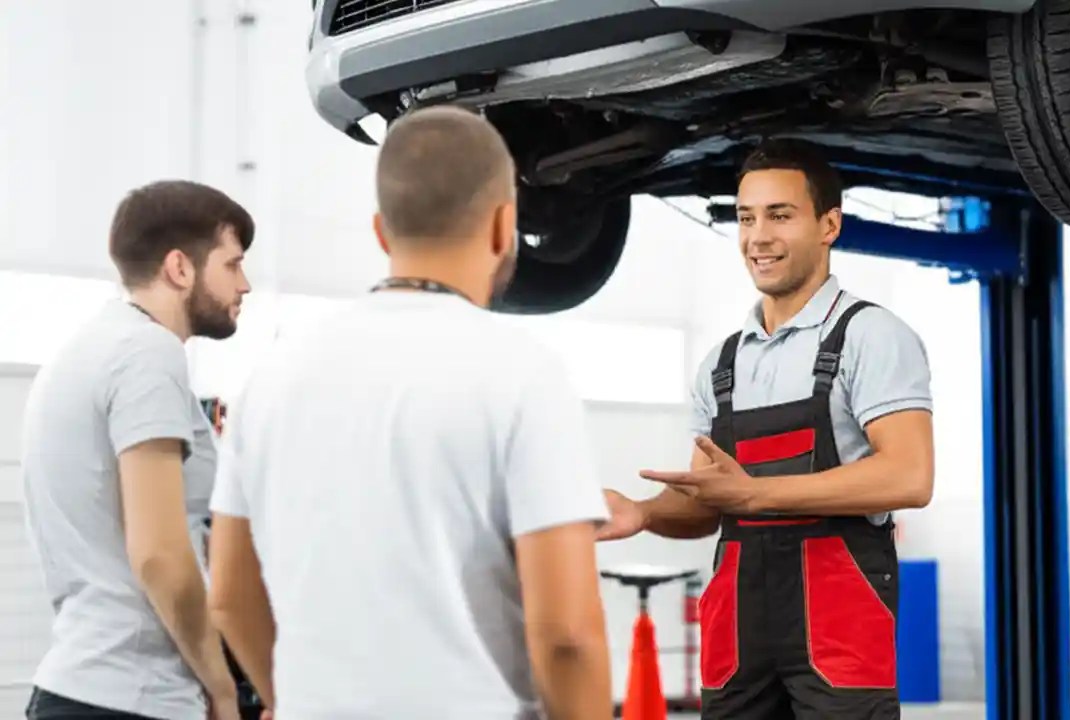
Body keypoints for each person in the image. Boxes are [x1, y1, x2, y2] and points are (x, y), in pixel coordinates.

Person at [205, 106, 613, 719]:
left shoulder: (271, 378)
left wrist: (294, 698)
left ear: (381, 233)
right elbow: (566, 635)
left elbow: (232, 595)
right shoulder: (522, 373)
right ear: (505, 227)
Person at [598, 139, 936, 719]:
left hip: (840, 629)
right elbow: (708, 503)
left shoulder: (870, 336)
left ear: (829, 224)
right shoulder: (721, 365)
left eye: (780, 216)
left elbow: (909, 475)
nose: (758, 237)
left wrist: (756, 494)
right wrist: (646, 512)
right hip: (739, 635)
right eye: (746, 217)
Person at [21, 181, 255, 720]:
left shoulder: (90, 348)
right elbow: (159, 553)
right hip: (135, 696)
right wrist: (220, 686)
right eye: (233, 264)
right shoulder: (148, 354)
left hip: (83, 685)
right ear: (180, 268)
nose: (245, 284)